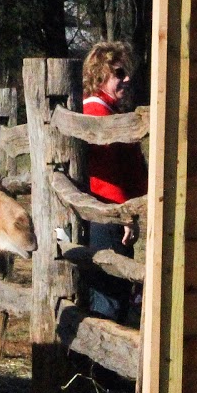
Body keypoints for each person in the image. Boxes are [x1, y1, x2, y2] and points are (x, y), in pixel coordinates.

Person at [80, 40, 146, 323]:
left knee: (114, 292)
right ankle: (100, 367)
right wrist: (124, 216)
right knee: (109, 295)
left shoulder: (107, 111)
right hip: (107, 217)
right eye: (118, 73)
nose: (126, 78)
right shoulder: (98, 114)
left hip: (110, 215)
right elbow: (104, 175)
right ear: (100, 75)